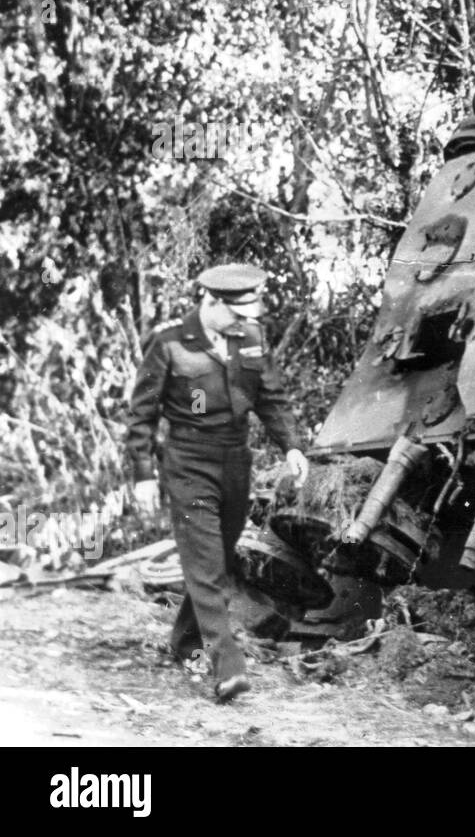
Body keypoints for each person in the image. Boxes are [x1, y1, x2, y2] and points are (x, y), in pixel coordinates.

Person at [124, 263, 309, 702]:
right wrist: (144, 473)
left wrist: (292, 447)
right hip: (187, 461)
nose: (245, 322)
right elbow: (141, 414)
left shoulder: (250, 337)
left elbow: (271, 398)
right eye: (237, 314)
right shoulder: (168, 342)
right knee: (207, 564)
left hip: (235, 462)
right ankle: (227, 665)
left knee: (216, 561)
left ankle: (183, 640)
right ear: (210, 302)